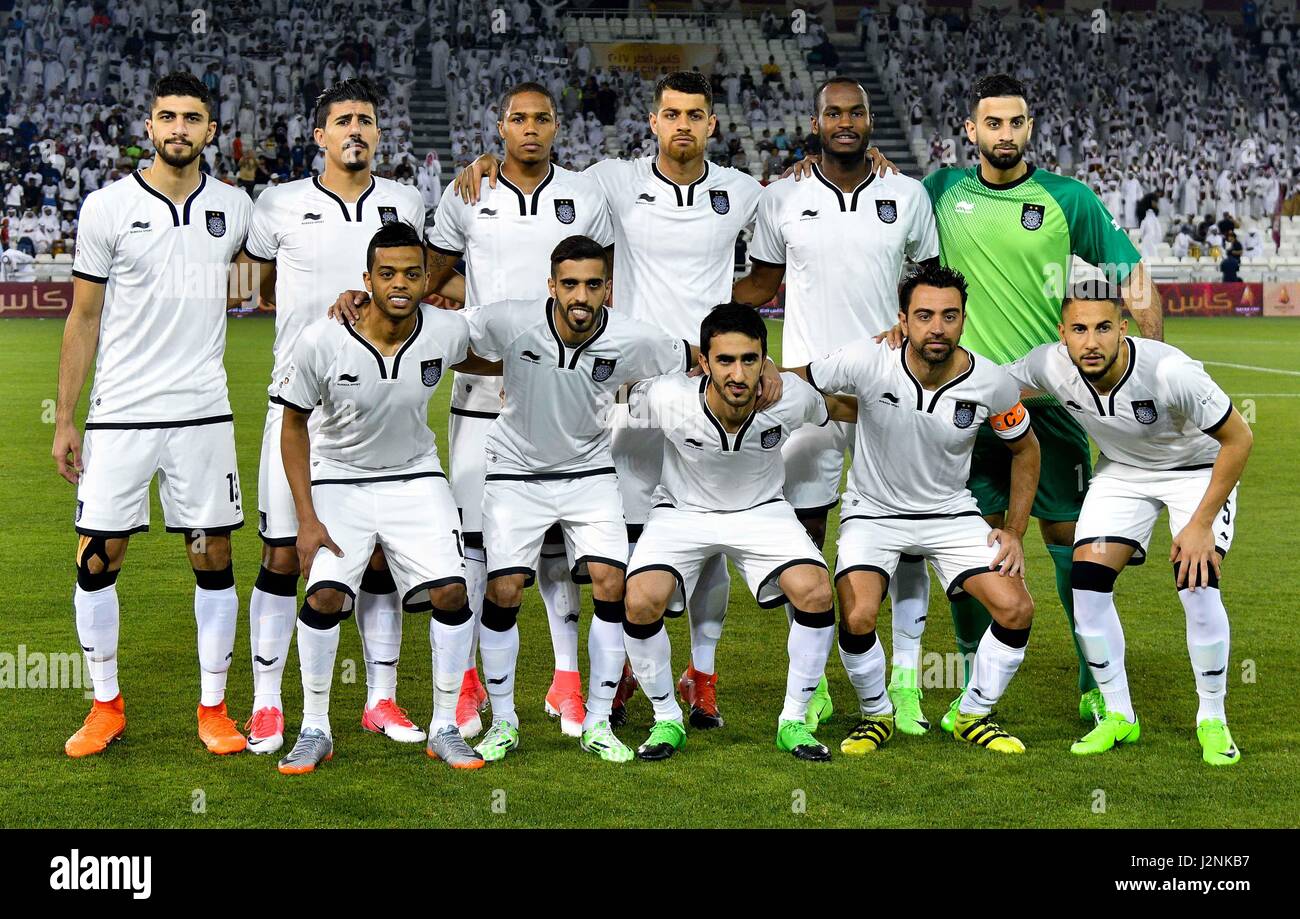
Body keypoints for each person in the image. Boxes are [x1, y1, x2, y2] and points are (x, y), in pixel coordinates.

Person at [333, 82, 615, 740]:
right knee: (476, 541)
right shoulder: (469, 193)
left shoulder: (588, 195)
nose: (531, 129)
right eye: (518, 118)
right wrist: (367, 300)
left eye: (542, 118)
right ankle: (466, 681)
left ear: (556, 125)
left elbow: (603, 288)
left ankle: (566, 680)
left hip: (566, 392)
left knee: (554, 542)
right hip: (483, 392)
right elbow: (427, 281)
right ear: (499, 124)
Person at [918, 73, 1163, 731]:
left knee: (1071, 538)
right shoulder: (938, 191)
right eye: (992, 123)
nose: (1005, 134)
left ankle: (1093, 681)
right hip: (961, 404)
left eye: (1016, 123)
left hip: (1050, 403)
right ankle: (973, 672)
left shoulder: (1068, 198)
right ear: (970, 131)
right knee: (969, 538)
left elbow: (1132, 277)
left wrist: (1153, 363)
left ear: (1030, 127)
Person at [52, 72, 252, 758]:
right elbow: (82, 318)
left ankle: (214, 707)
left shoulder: (236, 206)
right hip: (121, 414)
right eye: (167, 116)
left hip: (202, 413)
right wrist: (65, 419)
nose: (178, 128)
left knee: (213, 556)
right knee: (98, 558)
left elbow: (275, 273)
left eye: (192, 117)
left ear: (211, 130)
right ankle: (105, 704)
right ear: (148, 126)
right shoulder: (106, 206)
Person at [733, 77, 940, 735]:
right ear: (816, 120)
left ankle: (905, 684)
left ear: (869, 119)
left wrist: (910, 336)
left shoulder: (906, 195)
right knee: (805, 535)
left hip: (890, 395)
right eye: (833, 113)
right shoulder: (783, 196)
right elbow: (760, 283)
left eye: (855, 112)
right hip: (806, 397)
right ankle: (813, 683)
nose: (845, 122)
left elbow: (929, 286)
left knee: (908, 539)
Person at [231, 77, 428, 755]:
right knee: (283, 553)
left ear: (379, 133)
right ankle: (264, 704)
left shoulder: (407, 201)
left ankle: (380, 698)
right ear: (319, 135)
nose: (356, 129)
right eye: (343, 120)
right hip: (299, 407)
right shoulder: (279, 203)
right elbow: (254, 286)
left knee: (377, 559)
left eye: (367, 120)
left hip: (381, 408)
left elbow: (427, 282)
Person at [460, 235, 705, 764]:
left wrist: (766, 368)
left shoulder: (632, 337)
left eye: (593, 285)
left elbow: (696, 357)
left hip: (589, 470)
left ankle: (597, 720)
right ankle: (503, 721)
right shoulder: (511, 321)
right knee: (503, 589)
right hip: (515, 471)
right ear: (551, 286)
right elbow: (437, 335)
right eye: (569, 283)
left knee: (611, 582)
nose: (581, 295)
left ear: (607, 290)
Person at [272, 222, 501, 775]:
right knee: (325, 597)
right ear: (367, 278)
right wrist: (305, 517)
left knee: (451, 592)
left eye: (412, 273)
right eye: (388, 273)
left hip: (415, 478)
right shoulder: (322, 340)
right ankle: (315, 727)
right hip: (339, 480)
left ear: (429, 278)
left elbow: (493, 359)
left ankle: (445, 725)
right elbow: (293, 426)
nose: (400, 283)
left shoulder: (445, 332)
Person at [787, 264, 1042, 754]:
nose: (937, 327)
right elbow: (800, 380)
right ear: (902, 319)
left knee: (1016, 608)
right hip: (873, 513)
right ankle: (876, 713)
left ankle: (971, 714)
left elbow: (1026, 449)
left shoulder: (991, 383)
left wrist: (1013, 531)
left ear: (964, 319)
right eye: (924, 315)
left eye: (950, 316)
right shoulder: (867, 359)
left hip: (951, 514)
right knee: (859, 614)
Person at [1005, 294, 1252, 765]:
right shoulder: (1048, 365)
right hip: (1123, 472)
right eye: (1079, 330)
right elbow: (987, 381)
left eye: (1103, 328)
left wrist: (1200, 524)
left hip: (1197, 471)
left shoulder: (1168, 372)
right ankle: (1119, 714)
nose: (1091, 342)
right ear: (1063, 334)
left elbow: (1239, 438)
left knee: (1196, 582)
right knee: (1088, 583)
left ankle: (1212, 719)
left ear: (1124, 329)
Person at [623, 304, 856, 763]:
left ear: (765, 361)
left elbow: (835, 407)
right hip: (682, 512)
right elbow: (620, 390)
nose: (738, 373)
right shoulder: (669, 395)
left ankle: (793, 719)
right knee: (639, 600)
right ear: (703, 364)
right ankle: (667, 717)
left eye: (750, 359)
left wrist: (905, 411)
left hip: (761, 511)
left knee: (814, 591)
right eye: (725, 360)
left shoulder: (789, 396)